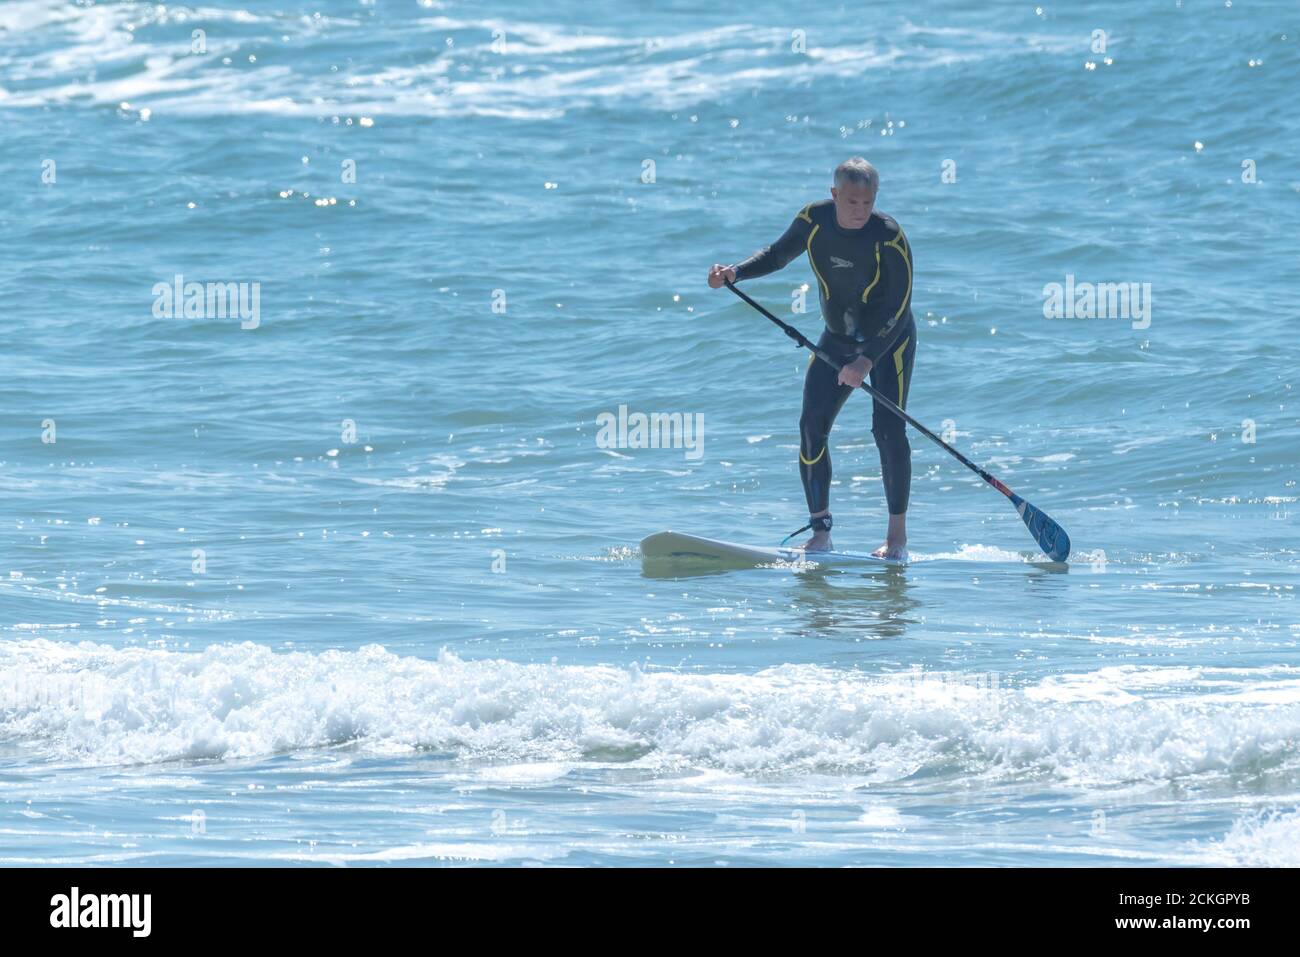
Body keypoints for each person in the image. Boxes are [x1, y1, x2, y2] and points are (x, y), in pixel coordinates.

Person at [707, 157, 915, 558]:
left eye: (868, 203)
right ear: (834, 194)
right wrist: (734, 273)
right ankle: (821, 532)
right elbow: (777, 254)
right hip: (836, 340)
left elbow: (899, 308)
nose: (860, 211)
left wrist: (867, 361)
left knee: (889, 432)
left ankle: (897, 538)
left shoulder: (889, 236)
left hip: (888, 343)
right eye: (852, 201)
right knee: (810, 427)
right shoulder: (814, 219)